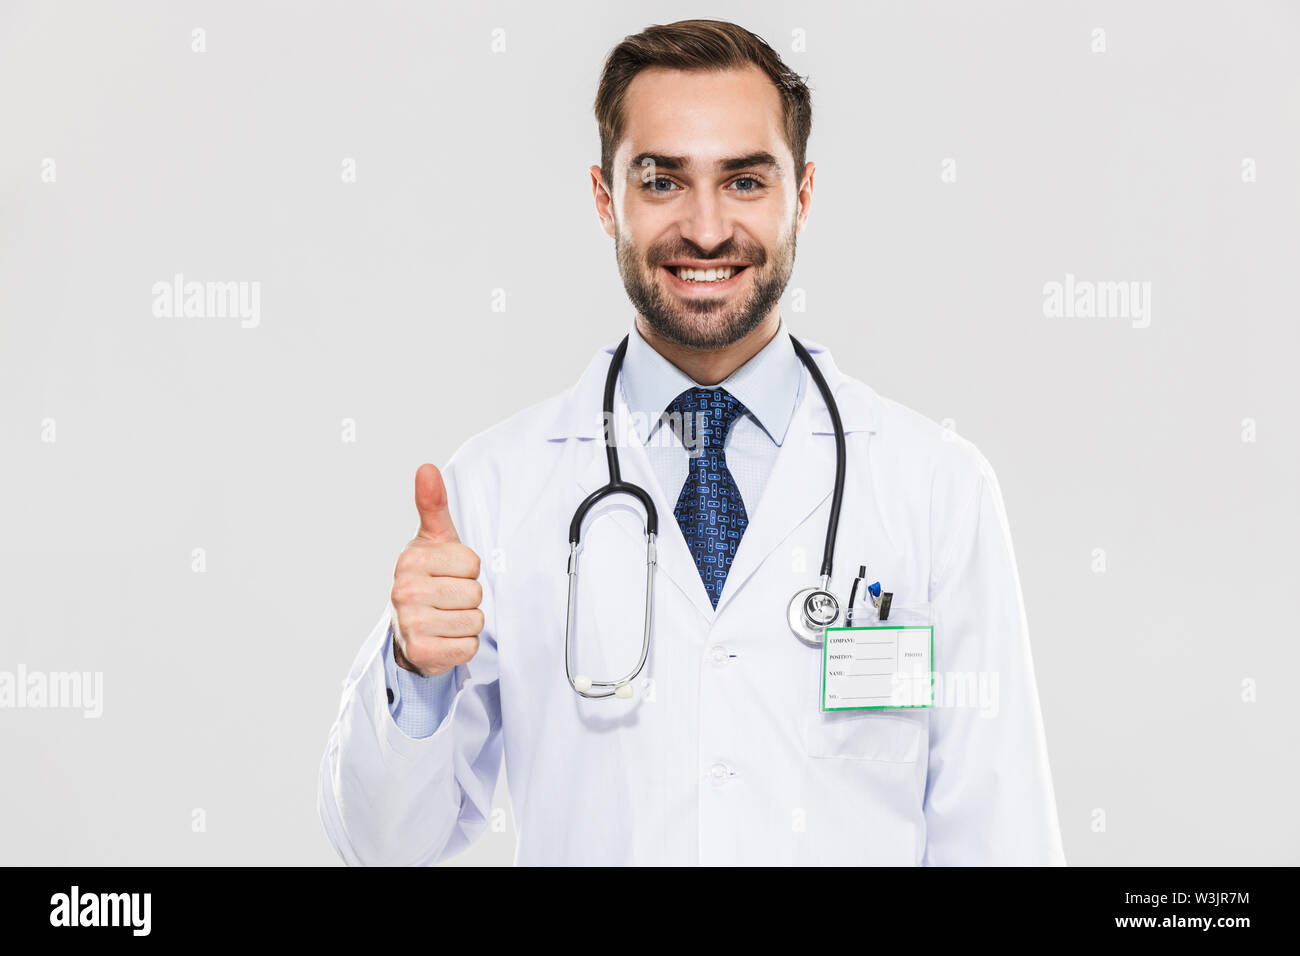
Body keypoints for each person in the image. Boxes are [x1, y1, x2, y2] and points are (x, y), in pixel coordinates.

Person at [317, 18, 1065, 866]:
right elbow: (381, 850)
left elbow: (1002, 838)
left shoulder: (935, 486)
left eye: (745, 181)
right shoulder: (497, 488)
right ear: (606, 199)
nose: (706, 230)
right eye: (663, 181)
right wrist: (415, 672)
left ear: (804, 194)